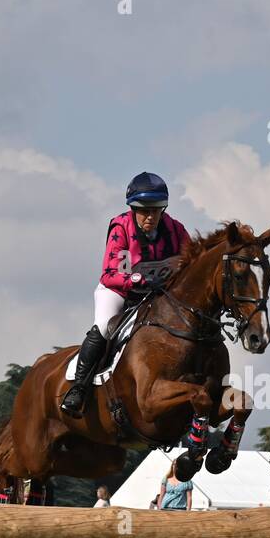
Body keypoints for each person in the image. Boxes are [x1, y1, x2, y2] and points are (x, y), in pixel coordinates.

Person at [61, 172, 191, 417]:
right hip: (119, 291)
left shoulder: (175, 230)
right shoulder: (121, 227)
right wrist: (138, 279)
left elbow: (192, 262)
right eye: (144, 210)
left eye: (156, 210)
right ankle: (78, 389)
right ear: (133, 208)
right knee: (104, 327)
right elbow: (110, 273)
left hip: (156, 294)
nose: (150, 216)